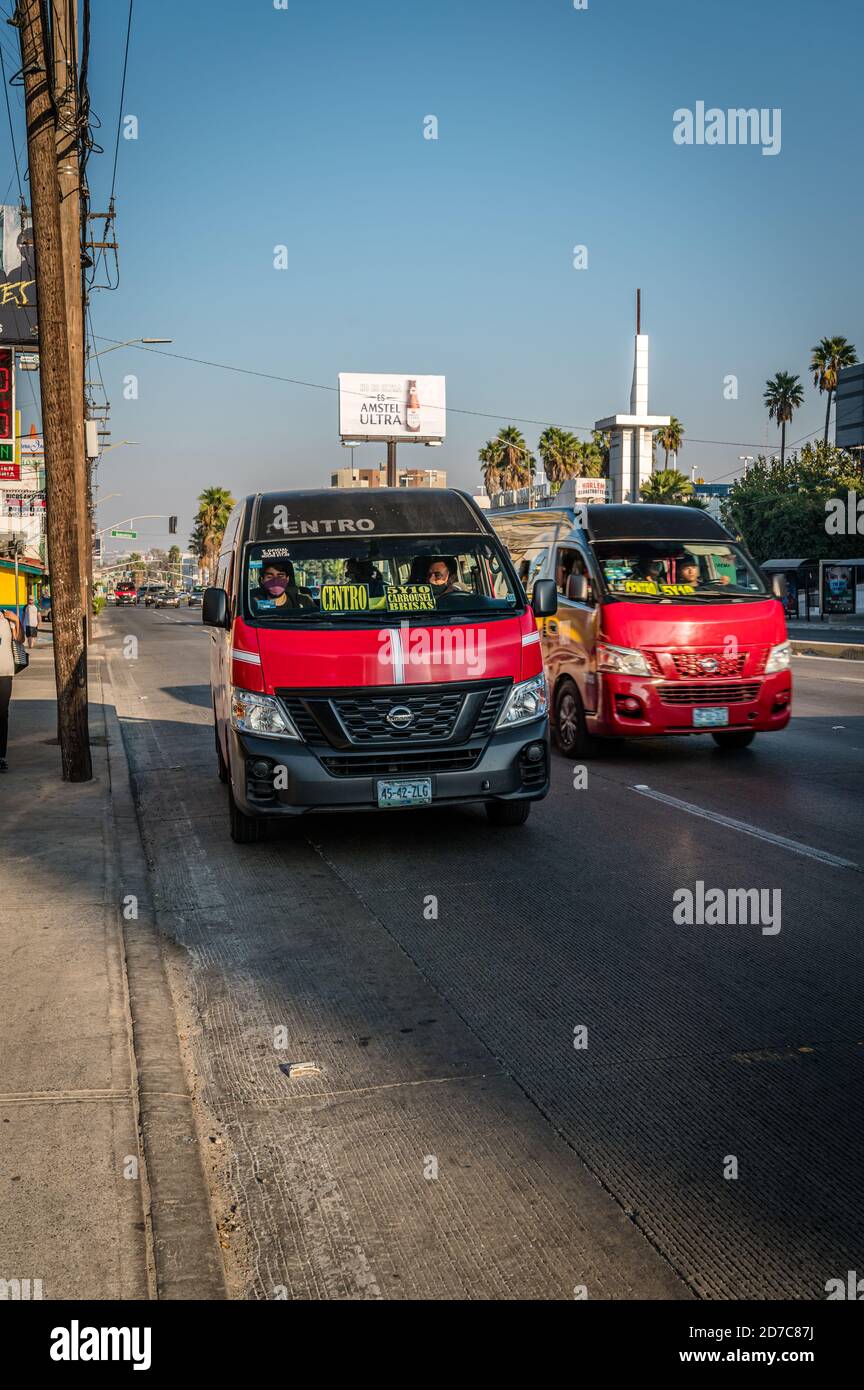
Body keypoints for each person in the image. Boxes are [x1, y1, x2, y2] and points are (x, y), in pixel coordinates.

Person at [0, 607, 23, 772]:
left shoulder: (6, 617)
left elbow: (20, 640)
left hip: (4, 673)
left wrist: (16, 621)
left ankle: (0, 755)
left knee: (2, 714)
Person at [251, 559, 315, 611]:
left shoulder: (303, 601)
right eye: (269, 577)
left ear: (287, 579)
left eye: (280, 576)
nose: (275, 581)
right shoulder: (254, 603)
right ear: (262, 580)